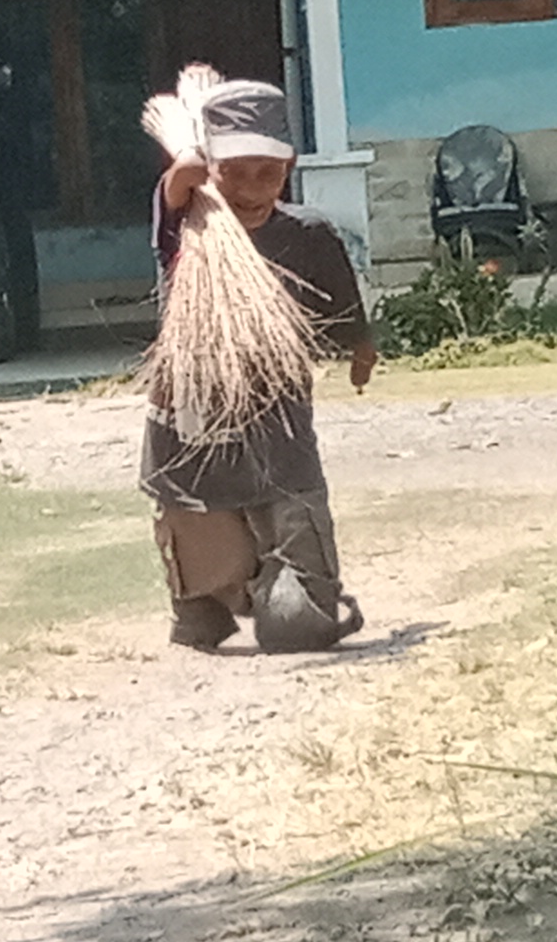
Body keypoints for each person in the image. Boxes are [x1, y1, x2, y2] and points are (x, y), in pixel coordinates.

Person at [142, 79, 379, 653]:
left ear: (289, 168)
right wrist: (186, 167)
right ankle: (213, 600)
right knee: (198, 617)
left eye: (267, 173)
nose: (251, 188)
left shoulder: (308, 233)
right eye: (235, 171)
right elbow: (175, 190)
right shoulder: (190, 227)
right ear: (210, 167)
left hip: (278, 420)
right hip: (193, 417)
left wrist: (360, 349)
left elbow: (344, 306)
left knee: (293, 628)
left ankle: (309, 602)